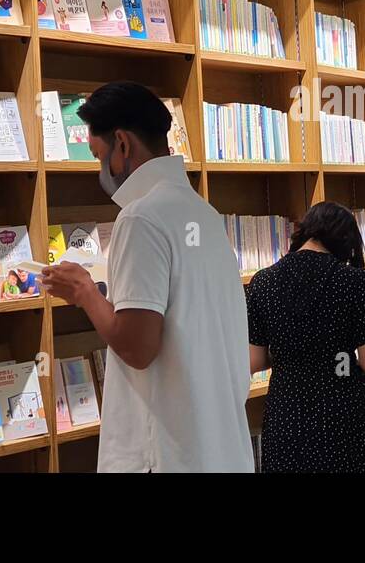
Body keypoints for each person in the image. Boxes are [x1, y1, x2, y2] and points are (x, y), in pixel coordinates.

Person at [41, 82, 252, 472]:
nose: (99, 170)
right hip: (218, 448)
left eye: (97, 155)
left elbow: (137, 347)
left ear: (121, 144)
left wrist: (85, 292)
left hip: (167, 454)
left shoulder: (141, 217)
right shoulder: (203, 213)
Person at [247, 201, 365, 473]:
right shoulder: (355, 282)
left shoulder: (262, 282)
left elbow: (254, 360)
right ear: (345, 241)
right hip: (341, 418)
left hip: (284, 419)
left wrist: (291, 354)